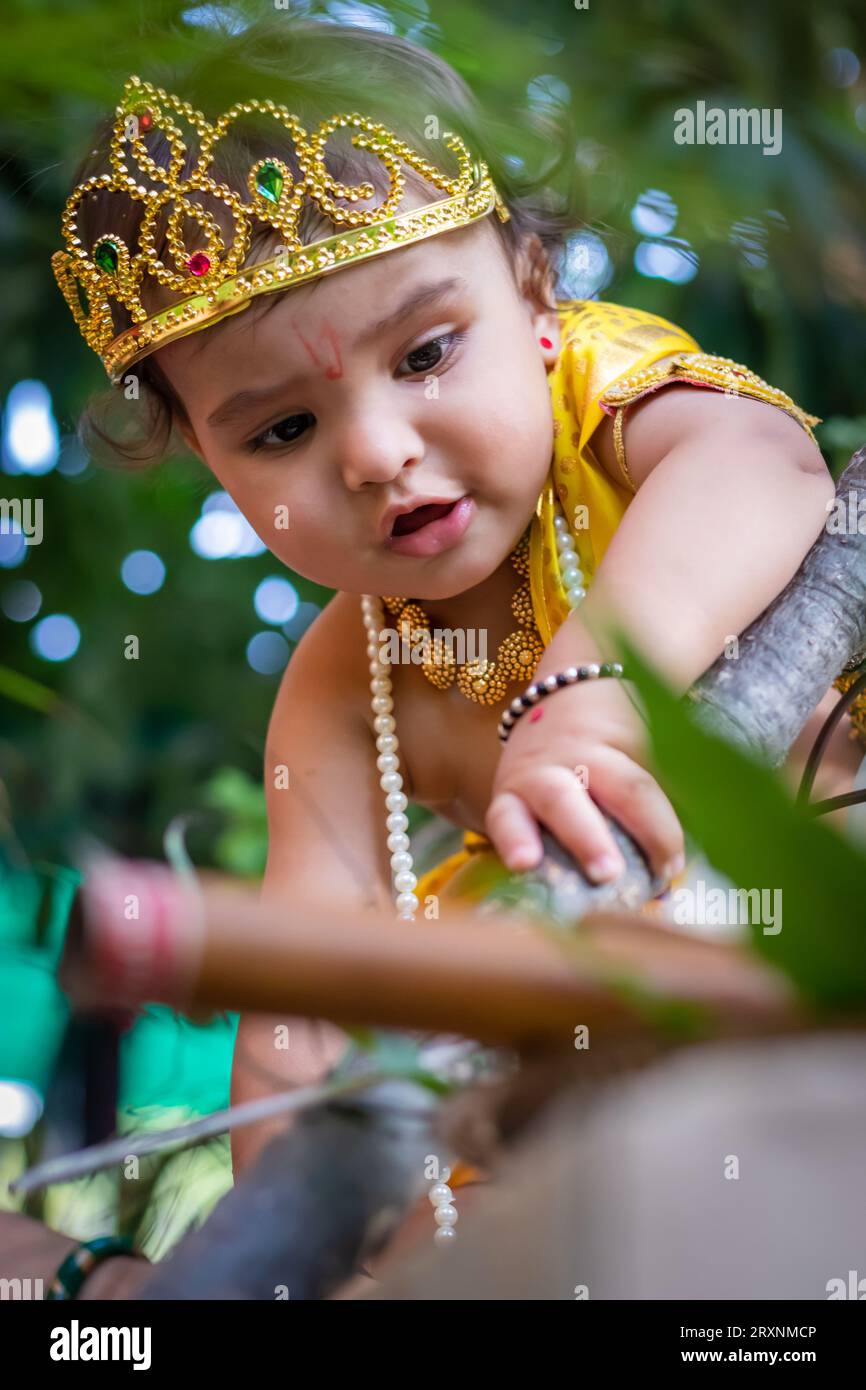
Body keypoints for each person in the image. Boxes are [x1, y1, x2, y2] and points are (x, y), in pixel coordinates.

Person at [42, 15, 860, 1288]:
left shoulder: (611, 406)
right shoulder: (340, 678)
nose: (372, 452)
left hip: (819, 901)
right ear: (208, 460)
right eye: (282, 432)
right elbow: (308, 994)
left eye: (426, 355)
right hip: (588, 1038)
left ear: (534, 288)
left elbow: (763, 469)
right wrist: (296, 1203)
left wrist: (589, 695)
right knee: (443, 1238)